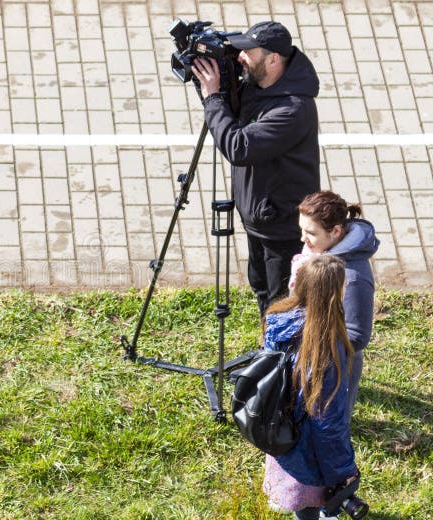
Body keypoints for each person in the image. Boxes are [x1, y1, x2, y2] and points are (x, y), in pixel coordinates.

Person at [193, 21, 321, 315]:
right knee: (261, 289)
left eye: (247, 53)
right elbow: (229, 112)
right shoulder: (259, 84)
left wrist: (212, 96)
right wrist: (214, 80)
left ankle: (281, 357)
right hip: (259, 217)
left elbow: (237, 147)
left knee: (282, 303)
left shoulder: (292, 109)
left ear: (273, 59)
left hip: (281, 227)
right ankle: (268, 349)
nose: (240, 58)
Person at [261, 255, 360, 520]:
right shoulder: (328, 350)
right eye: (343, 286)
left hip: (279, 436)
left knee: (299, 506)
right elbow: (328, 423)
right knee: (308, 512)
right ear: (333, 296)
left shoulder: (278, 318)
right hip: (309, 457)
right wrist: (344, 472)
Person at [291, 191, 380, 420]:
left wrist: (316, 341)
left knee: (331, 424)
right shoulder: (319, 250)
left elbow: (357, 336)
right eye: (302, 230)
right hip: (309, 347)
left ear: (336, 231)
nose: (303, 239)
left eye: (311, 232)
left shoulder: (353, 277)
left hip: (336, 364)